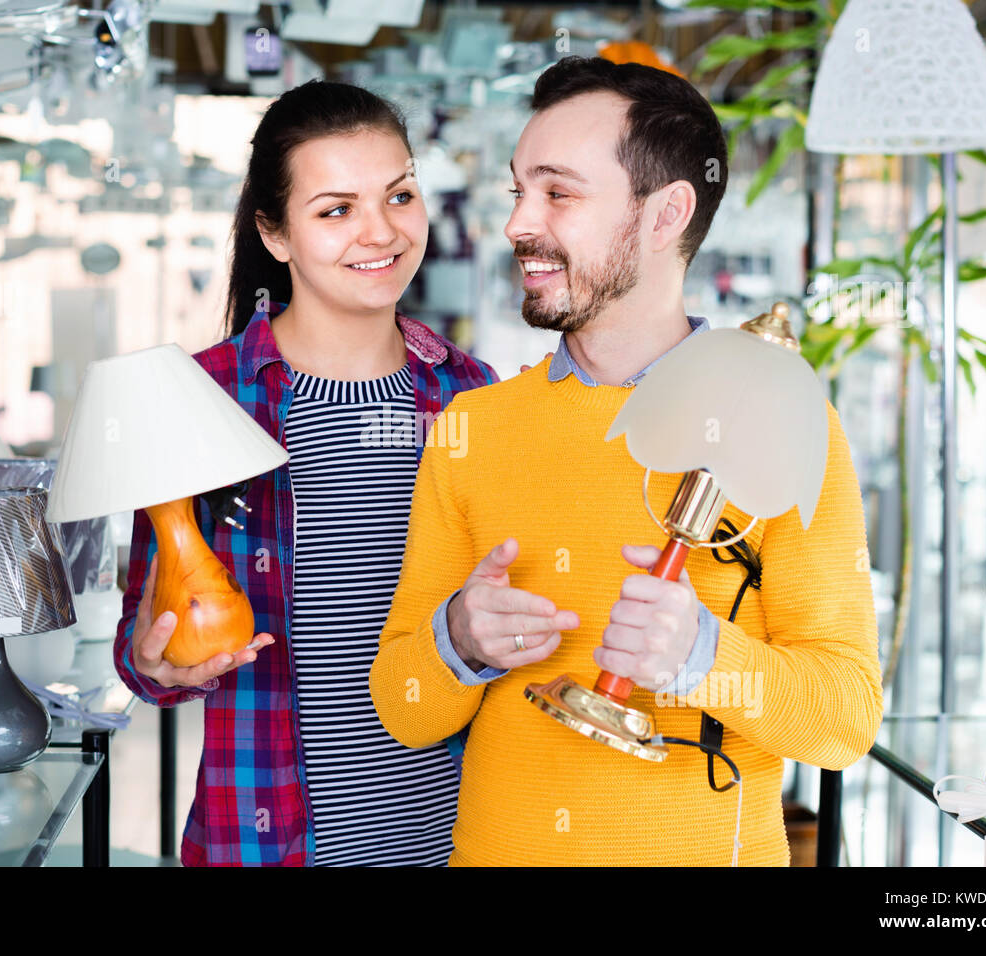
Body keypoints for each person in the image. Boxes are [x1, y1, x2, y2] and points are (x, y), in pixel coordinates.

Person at [369, 57, 883, 866]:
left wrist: (705, 659)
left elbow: (843, 723)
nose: (517, 225)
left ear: (666, 213)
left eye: (558, 193)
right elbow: (404, 708)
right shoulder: (472, 426)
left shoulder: (785, 422)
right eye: (518, 192)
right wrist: (457, 641)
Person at [113, 80, 497, 866]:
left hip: (458, 835)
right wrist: (154, 664)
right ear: (275, 233)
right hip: (269, 836)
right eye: (335, 210)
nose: (381, 232)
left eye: (399, 195)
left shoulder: (472, 395)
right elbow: (144, 647)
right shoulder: (204, 396)